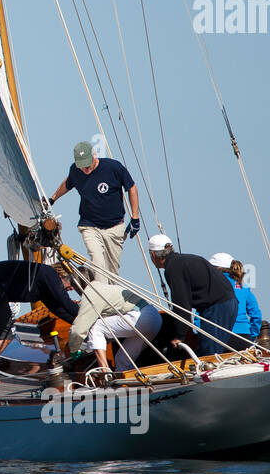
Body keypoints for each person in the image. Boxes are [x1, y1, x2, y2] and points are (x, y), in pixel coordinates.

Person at [0, 260, 79, 390]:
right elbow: (66, 303)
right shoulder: (50, 274)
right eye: (72, 283)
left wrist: (81, 322)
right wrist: (92, 317)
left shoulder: (42, 279)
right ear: (61, 276)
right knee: (6, 335)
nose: (72, 288)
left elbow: (59, 309)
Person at [47, 142, 140, 281]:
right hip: (89, 225)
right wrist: (52, 199)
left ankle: (112, 299)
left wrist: (135, 217)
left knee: (112, 270)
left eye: (87, 164)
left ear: (94, 156)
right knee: (97, 261)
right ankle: (101, 294)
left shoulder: (113, 167)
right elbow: (68, 183)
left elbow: (131, 188)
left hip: (114, 226)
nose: (85, 169)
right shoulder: (75, 170)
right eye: (81, 165)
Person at [147, 235, 237, 357]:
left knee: (209, 355)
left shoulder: (173, 268)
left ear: (153, 255)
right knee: (213, 351)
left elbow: (182, 304)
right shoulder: (185, 260)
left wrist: (180, 336)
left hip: (216, 307)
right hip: (228, 302)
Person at [66, 278, 163, 373]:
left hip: (140, 318)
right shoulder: (102, 288)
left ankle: (105, 373)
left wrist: (74, 350)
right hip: (154, 317)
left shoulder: (91, 292)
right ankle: (127, 385)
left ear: (77, 286)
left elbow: (79, 328)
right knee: (122, 361)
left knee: (96, 327)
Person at [209, 255, 262, 350]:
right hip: (244, 337)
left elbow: (199, 315)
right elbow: (256, 315)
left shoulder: (212, 285)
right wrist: (251, 336)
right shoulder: (243, 286)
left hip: (221, 337)